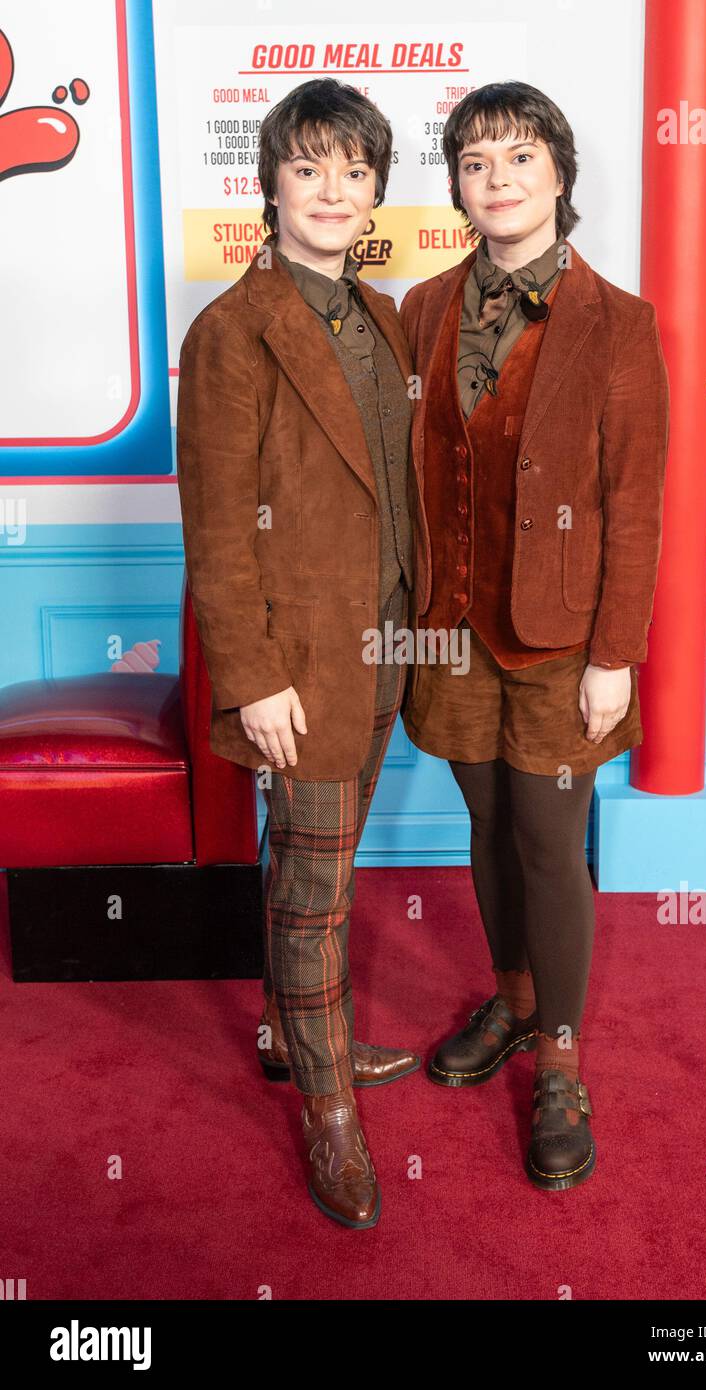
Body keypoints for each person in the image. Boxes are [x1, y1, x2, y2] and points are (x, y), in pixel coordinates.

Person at [399, 81, 670, 1190]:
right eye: (473, 161)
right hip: (449, 628)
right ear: (456, 186)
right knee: (487, 825)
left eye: (517, 156)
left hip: (562, 638)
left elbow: (635, 501)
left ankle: (558, 1054)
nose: (495, 177)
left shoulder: (621, 322)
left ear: (558, 174)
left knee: (550, 842)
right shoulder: (418, 307)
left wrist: (614, 653)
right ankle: (510, 999)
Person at [176, 78, 421, 1230]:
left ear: (374, 189)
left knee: (317, 874)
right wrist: (254, 678)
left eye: (354, 171)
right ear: (266, 184)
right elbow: (217, 527)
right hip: (298, 667)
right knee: (317, 900)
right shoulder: (230, 330)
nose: (333, 190)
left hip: (383, 651)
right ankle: (328, 1118)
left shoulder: (374, 313)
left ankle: (287, 1034)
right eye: (310, 167)